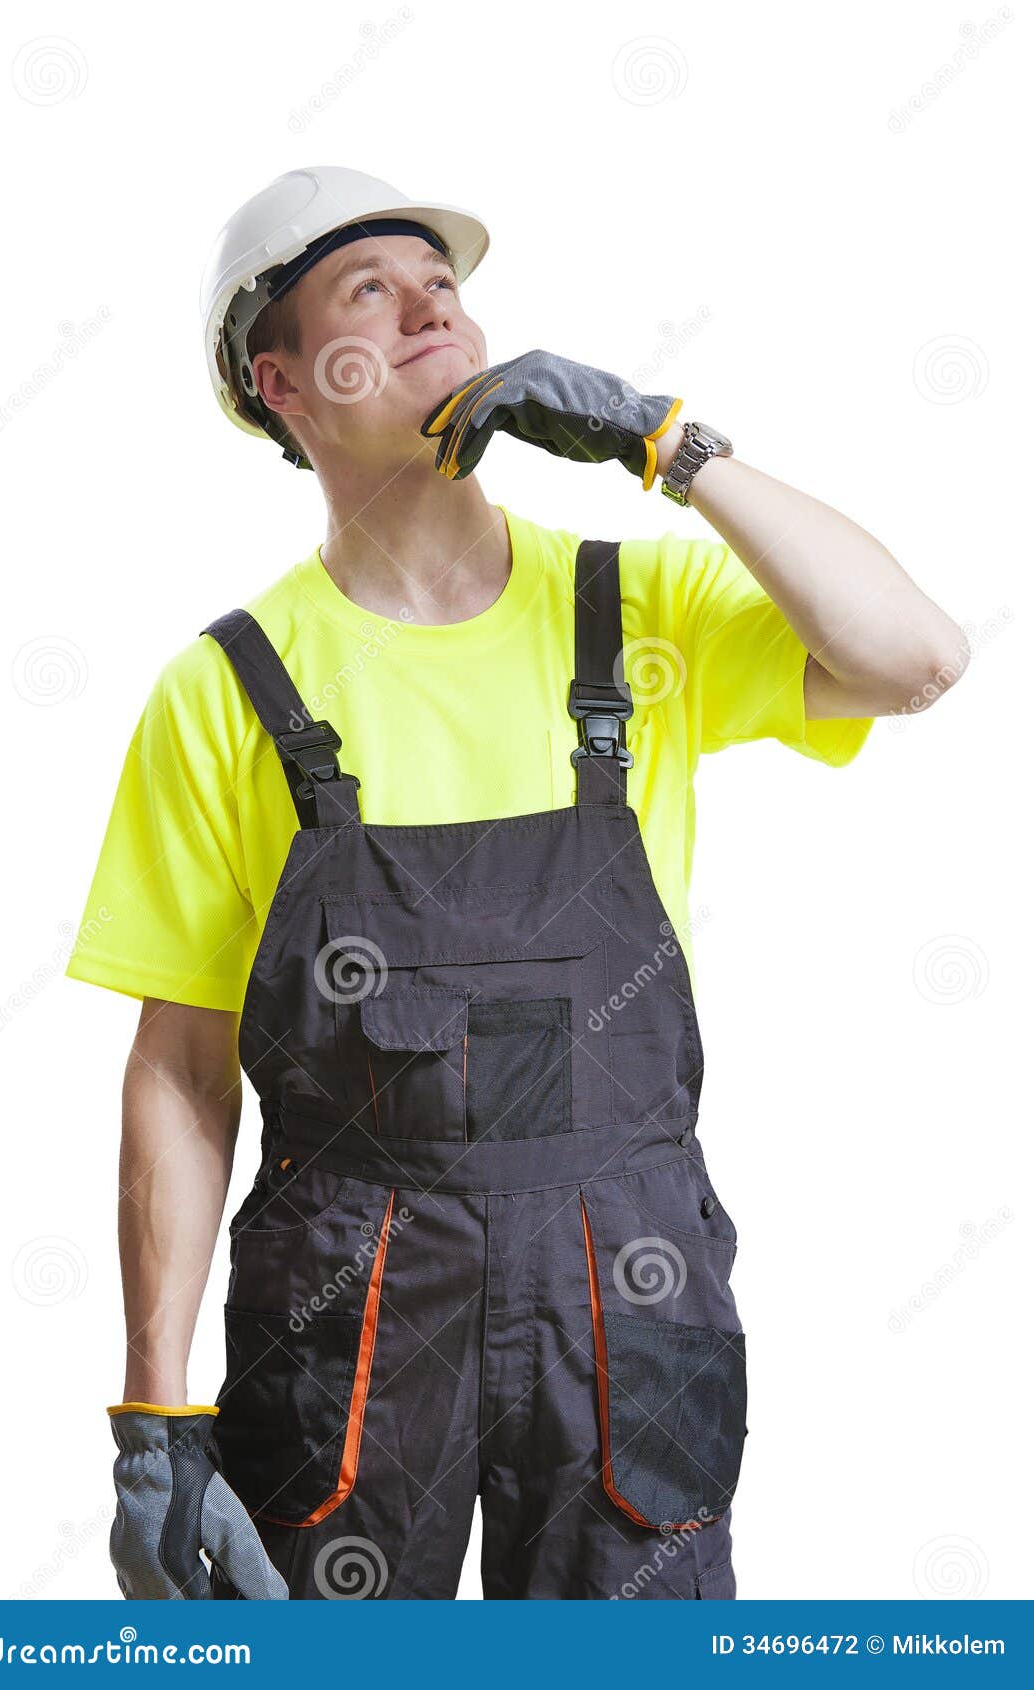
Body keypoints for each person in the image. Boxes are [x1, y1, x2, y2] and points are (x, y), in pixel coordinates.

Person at [66, 165, 968, 1601]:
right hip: (352, 1306)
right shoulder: (228, 689)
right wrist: (154, 1415)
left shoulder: (635, 616)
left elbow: (915, 657)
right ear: (281, 381)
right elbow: (180, 1063)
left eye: (447, 283)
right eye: (372, 287)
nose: (432, 302)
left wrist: (669, 444)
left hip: (625, 1285)